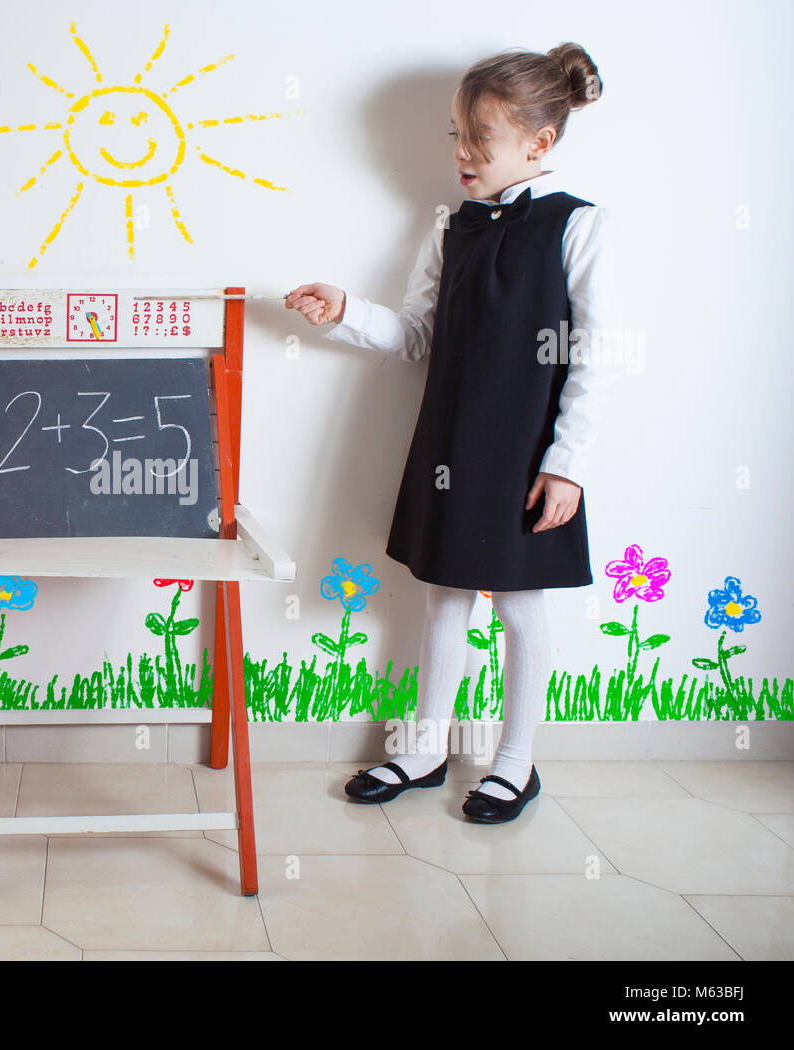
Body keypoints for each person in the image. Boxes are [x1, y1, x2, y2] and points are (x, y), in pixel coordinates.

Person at [287, 43, 620, 823]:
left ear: (538, 143)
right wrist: (345, 311)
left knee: (517, 606)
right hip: (451, 445)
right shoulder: (452, 228)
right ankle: (424, 747)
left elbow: (595, 358)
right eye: (456, 137)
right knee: (443, 598)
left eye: (483, 139)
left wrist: (565, 464)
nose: (464, 154)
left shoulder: (578, 226)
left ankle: (515, 763)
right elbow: (413, 336)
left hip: (526, 454)